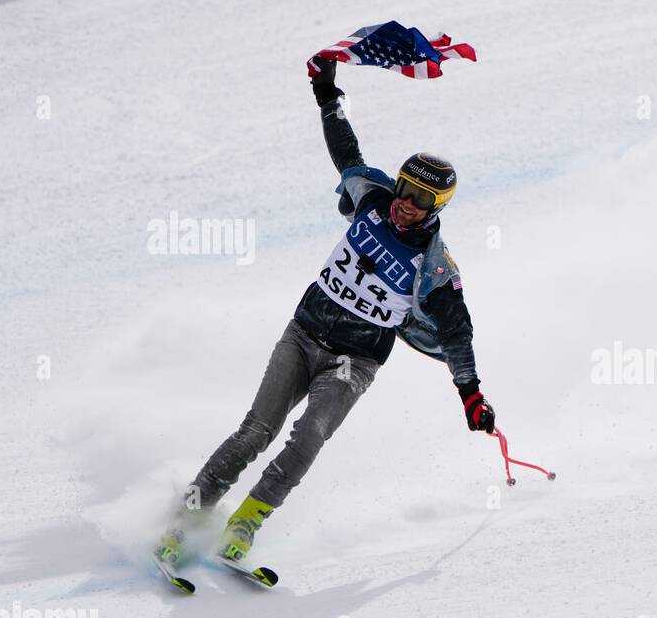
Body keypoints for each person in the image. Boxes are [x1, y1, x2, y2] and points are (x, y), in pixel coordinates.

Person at [156, 58, 495, 566]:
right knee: (255, 432)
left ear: (437, 208)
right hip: (303, 334)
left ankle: (246, 523)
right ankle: (185, 518)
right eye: (405, 188)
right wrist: (327, 95)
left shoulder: (434, 266)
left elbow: (456, 333)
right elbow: (347, 154)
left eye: (421, 199)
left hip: (354, 362)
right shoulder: (373, 201)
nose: (406, 203)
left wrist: (470, 394)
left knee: (308, 436)